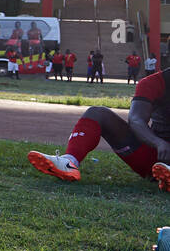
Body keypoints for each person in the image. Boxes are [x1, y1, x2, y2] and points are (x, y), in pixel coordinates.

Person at [27, 65, 170, 190]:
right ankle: (69, 162)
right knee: (98, 113)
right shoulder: (154, 82)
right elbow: (136, 119)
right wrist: (158, 142)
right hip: (159, 156)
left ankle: (166, 178)